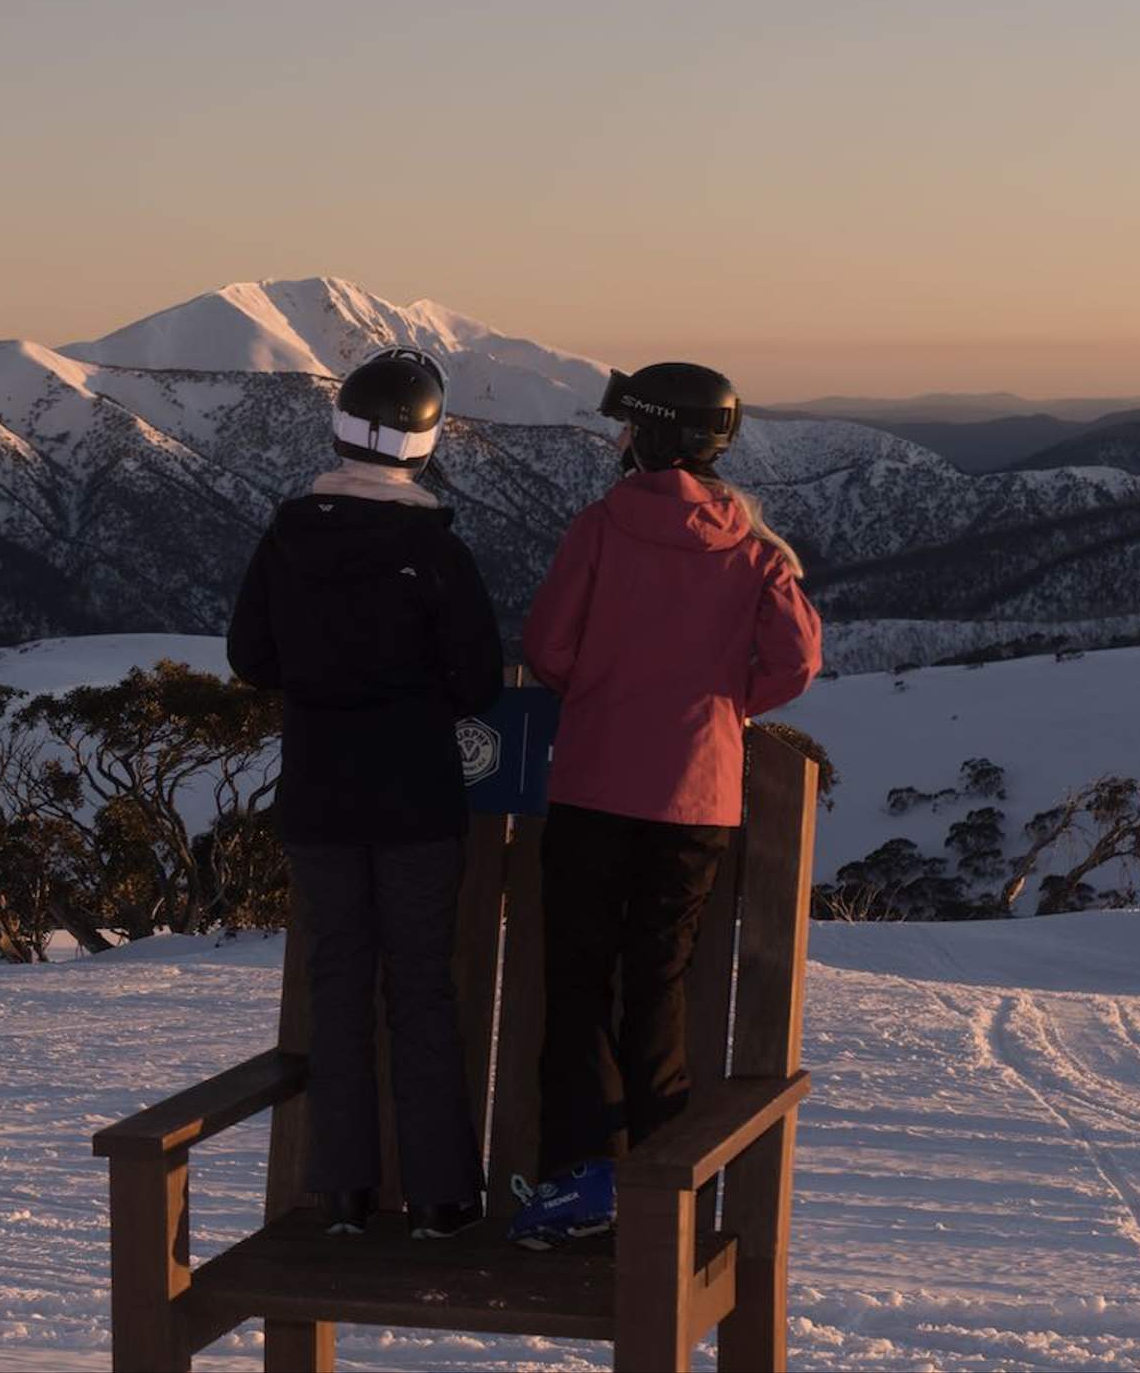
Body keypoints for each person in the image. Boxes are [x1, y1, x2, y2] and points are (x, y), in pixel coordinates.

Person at [506, 361, 822, 1248]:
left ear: (647, 436)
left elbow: (547, 646)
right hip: (697, 798)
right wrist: (726, 703)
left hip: (595, 785)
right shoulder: (757, 548)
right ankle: (661, 1178)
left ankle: (581, 1179)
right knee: (658, 984)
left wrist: (606, 694)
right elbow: (797, 659)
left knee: (576, 985)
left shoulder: (601, 528)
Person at [226, 346, 505, 1240]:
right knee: (420, 988)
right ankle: (442, 1197)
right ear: (424, 444)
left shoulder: (288, 535)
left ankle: (342, 1190)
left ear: (341, 427)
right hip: (417, 801)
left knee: (335, 982)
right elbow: (479, 684)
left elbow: (250, 659)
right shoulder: (434, 549)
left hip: (319, 798)